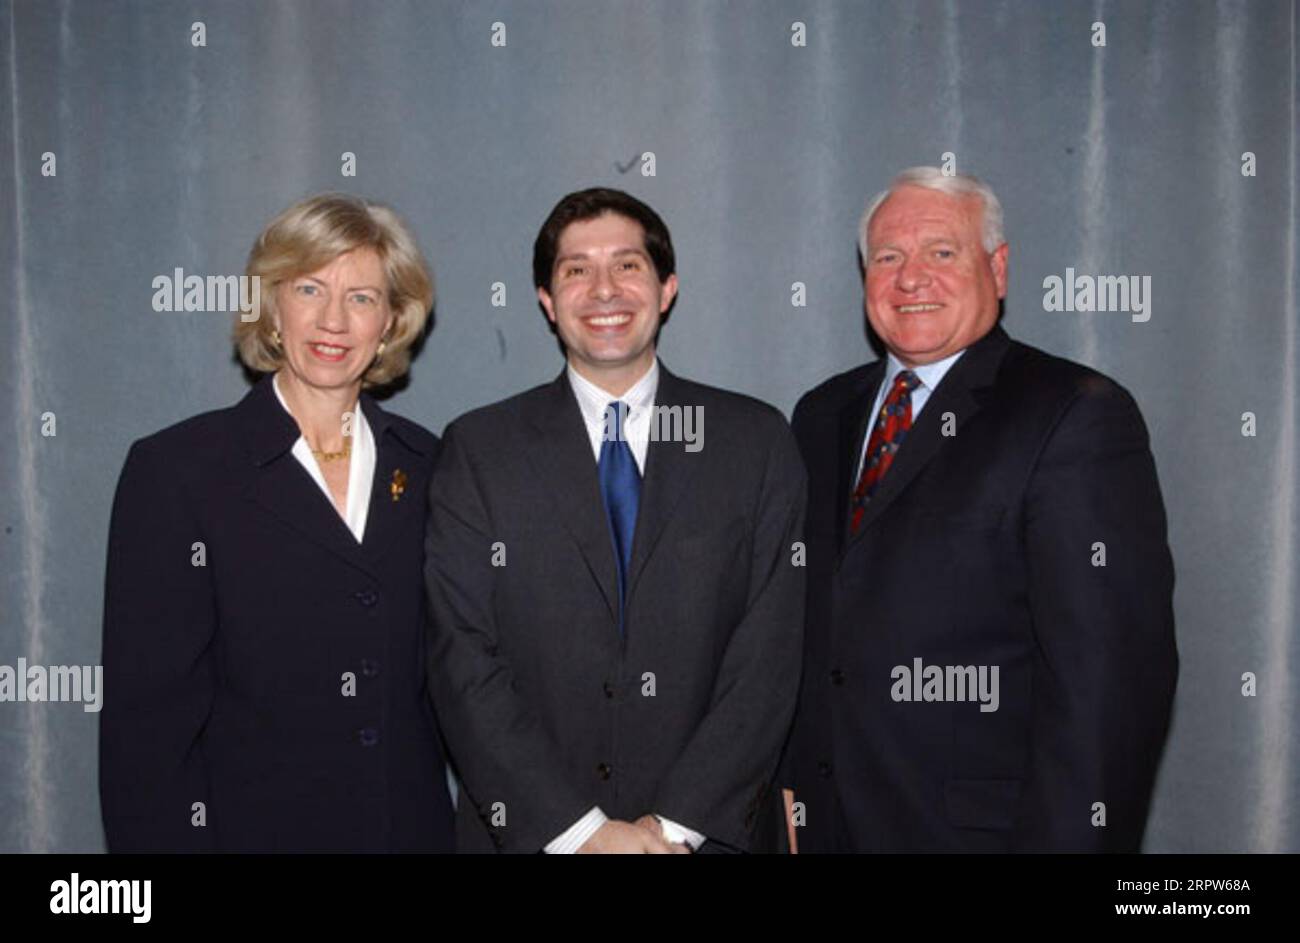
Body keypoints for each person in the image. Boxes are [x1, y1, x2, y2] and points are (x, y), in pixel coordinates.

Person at [782, 167, 1178, 852]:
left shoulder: (1073, 415)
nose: (911, 278)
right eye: (888, 257)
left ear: (998, 269)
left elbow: (1108, 689)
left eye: (941, 252)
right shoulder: (821, 415)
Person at [424, 188, 806, 853]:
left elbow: (769, 657)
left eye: (628, 265)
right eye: (576, 270)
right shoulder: (479, 450)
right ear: (546, 299)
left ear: (667, 289)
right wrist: (580, 833)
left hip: (704, 840)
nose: (604, 289)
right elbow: (460, 657)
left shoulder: (755, 440)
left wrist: (672, 826)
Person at [100, 193, 455, 852]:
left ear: (392, 321)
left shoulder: (434, 466)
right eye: (310, 287)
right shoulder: (179, 472)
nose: (333, 320)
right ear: (272, 305)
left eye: (362, 297)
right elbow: (145, 735)